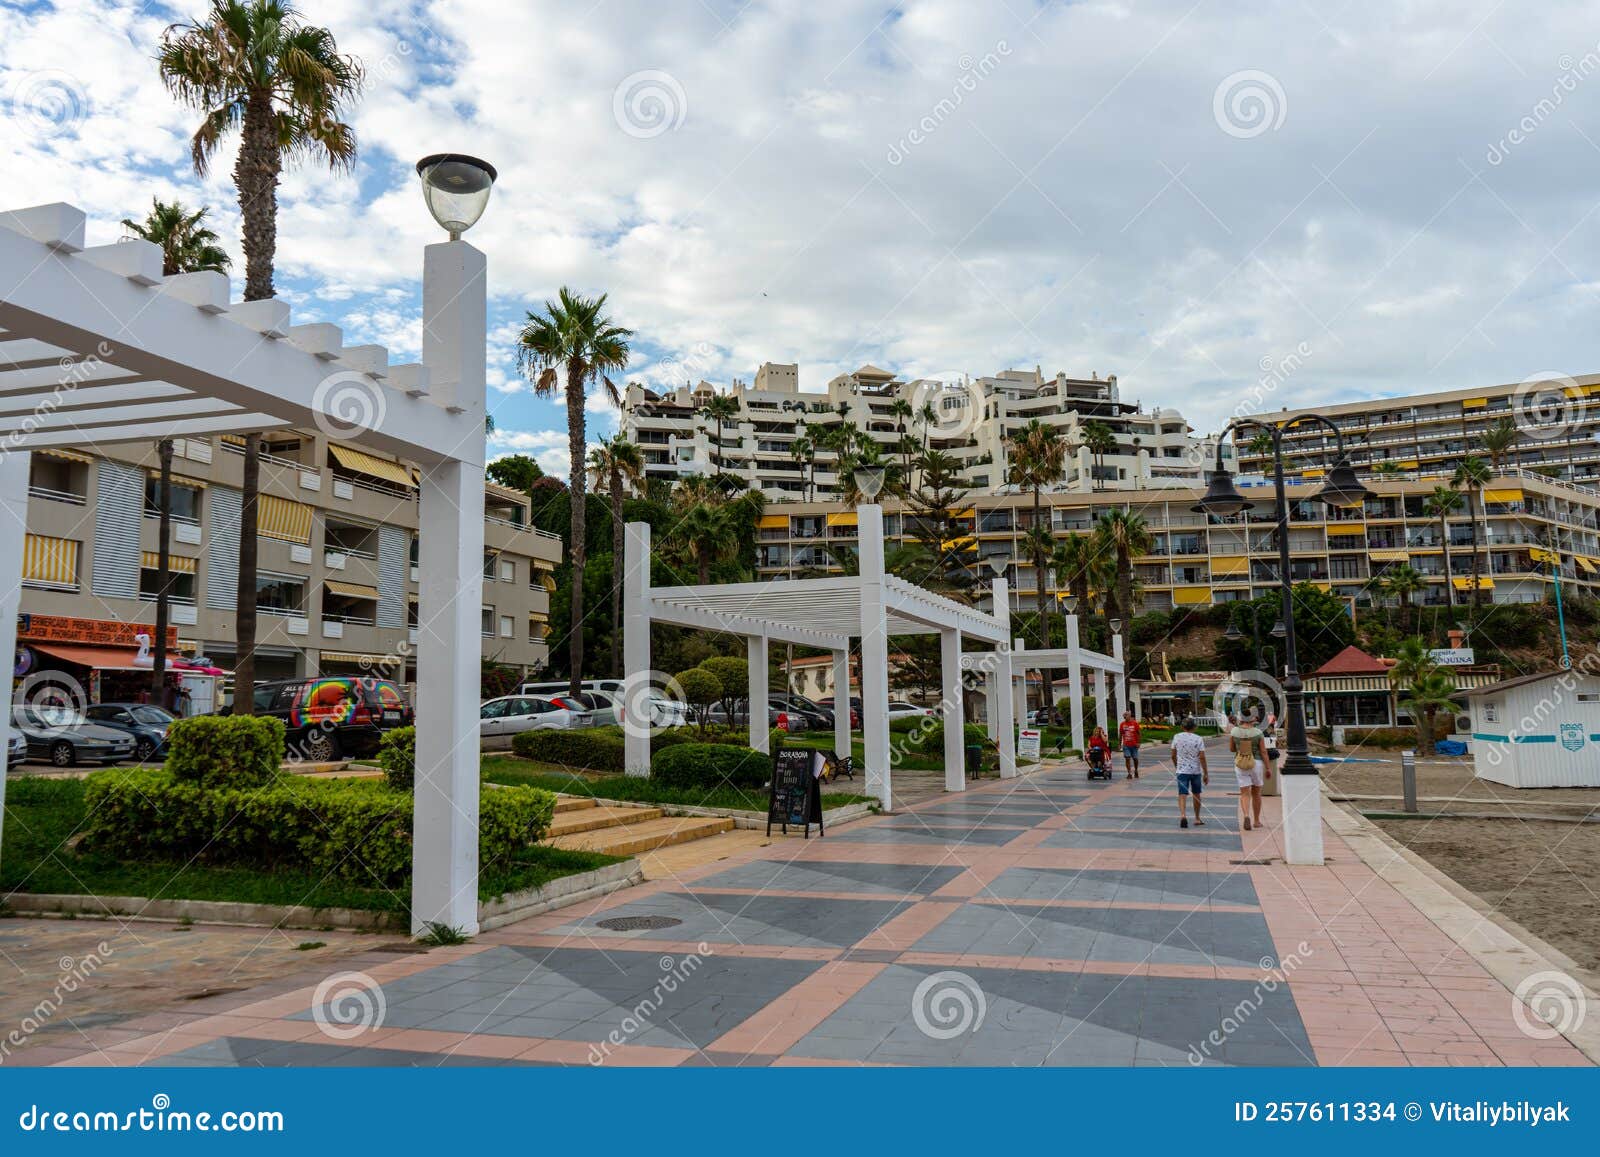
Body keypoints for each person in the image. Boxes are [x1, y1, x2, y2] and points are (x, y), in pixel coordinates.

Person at [1229, 711, 1267, 831]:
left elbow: (1231, 749)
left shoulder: (1234, 732)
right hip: (1256, 763)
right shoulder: (1258, 733)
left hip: (1241, 763)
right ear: (1252, 719)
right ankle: (1256, 821)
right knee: (1256, 793)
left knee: (1245, 793)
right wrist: (1269, 767)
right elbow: (1263, 752)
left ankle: (1246, 815)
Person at [1169, 716, 1209, 828]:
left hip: (1181, 770)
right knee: (1196, 794)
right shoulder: (1198, 738)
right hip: (1195, 771)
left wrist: (1177, 766)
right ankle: (1197, 818)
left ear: (1182, 727)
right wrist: (1206, 772)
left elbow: (1172, 755)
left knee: (1182, 794)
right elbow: (1202, 757)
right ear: (1194, 727)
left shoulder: (1176, 737)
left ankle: (1183, 815)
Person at [1118, 710, 1142, 779]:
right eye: (1124, 715)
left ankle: (1136, 770)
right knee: (1127, 758)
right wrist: (1119, 744)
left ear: (1130, 716)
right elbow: (1120, 734)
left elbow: (1139, 733)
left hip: (1134, 745)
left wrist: (1138, 742)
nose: (1125, 716)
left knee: (1135, 758)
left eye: (1127, 715)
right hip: (1126, 745)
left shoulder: (1135, 723)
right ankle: (1129, 773)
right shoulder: (1122, 724)